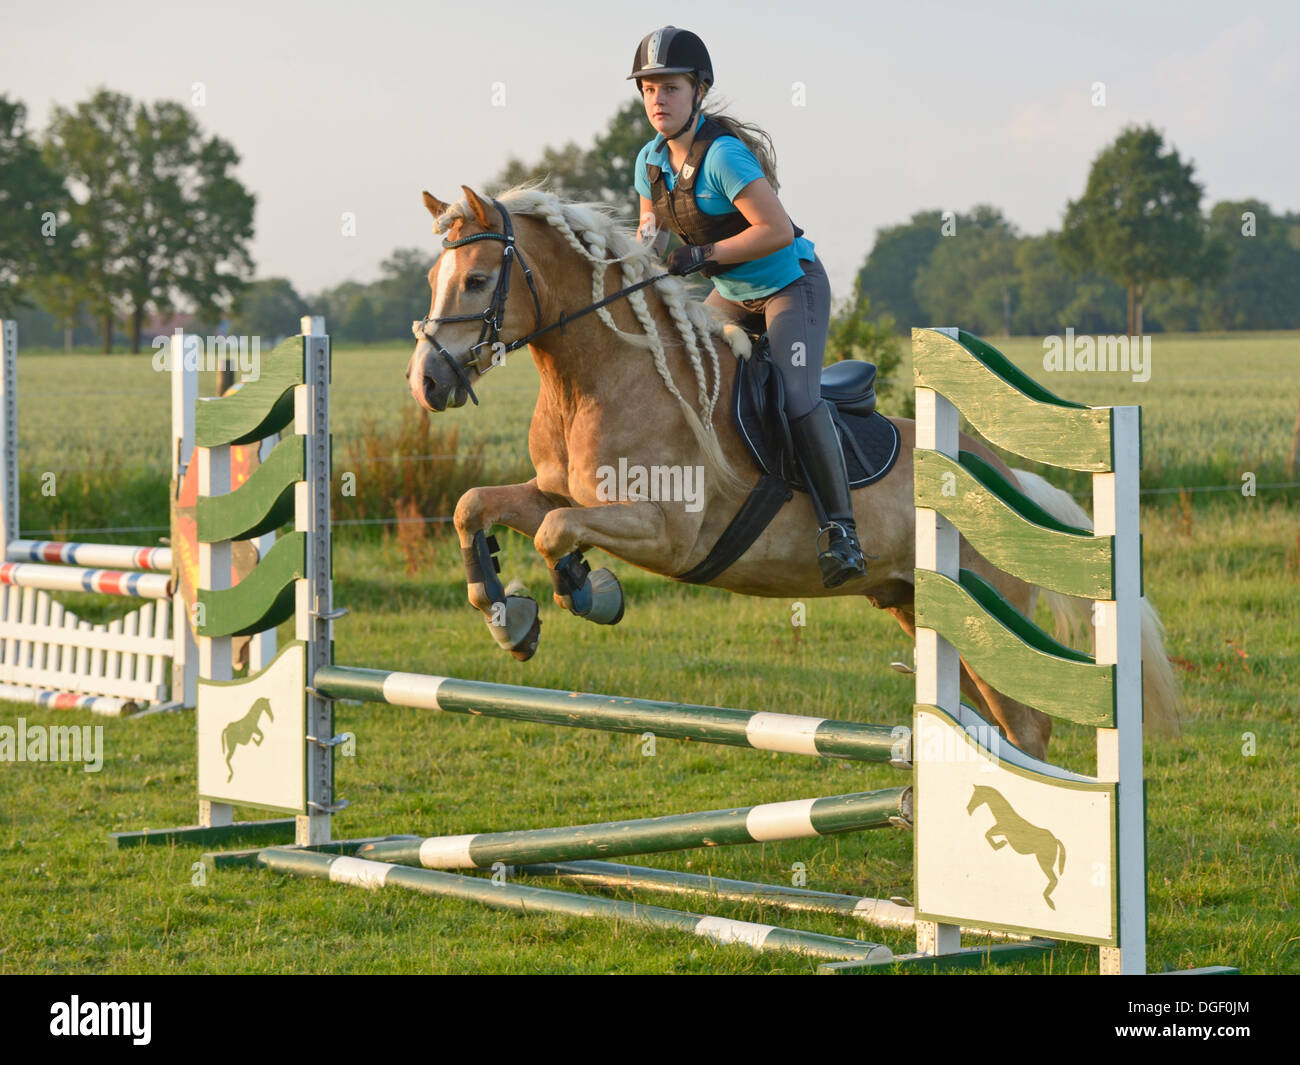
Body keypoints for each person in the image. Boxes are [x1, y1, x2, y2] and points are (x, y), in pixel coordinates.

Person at [628, 25, 868, 588]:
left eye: (670, 87)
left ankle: (841, 530)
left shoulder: (724, 157)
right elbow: (651, 233)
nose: (657, 99)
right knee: (680, 375)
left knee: (794, 393)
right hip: (733, 296)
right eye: (648, 90)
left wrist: (699, 253)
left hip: (790, 286)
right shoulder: (649, 162)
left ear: (698, 91)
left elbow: (777, 231)